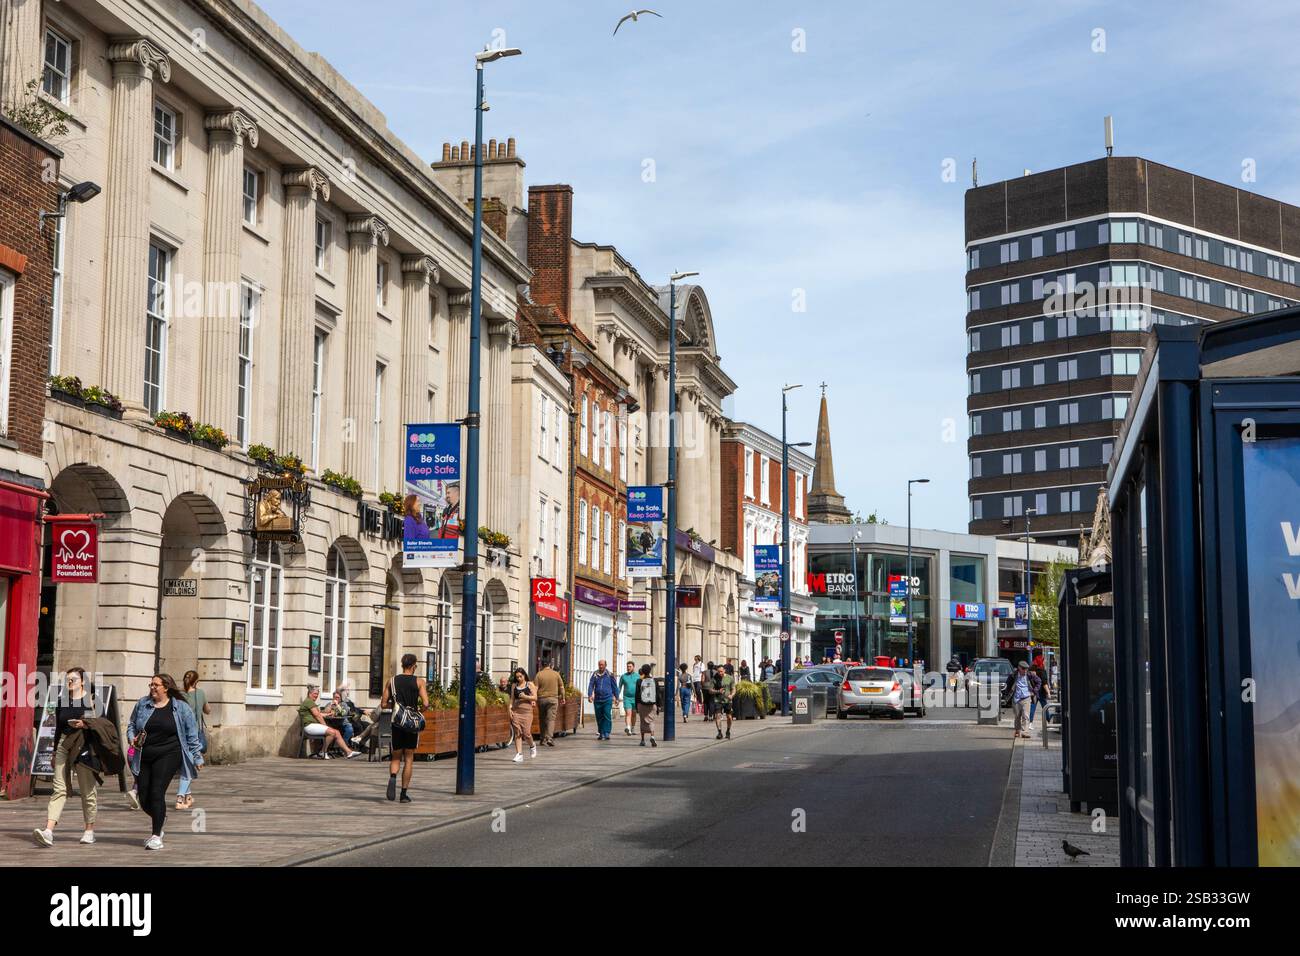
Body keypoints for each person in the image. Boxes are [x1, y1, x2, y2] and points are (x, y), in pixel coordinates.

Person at [127, 674, 204, 850]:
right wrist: (132, 738)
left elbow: (192, 735)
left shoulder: (181, 708)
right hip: (143, 755)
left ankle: (156, 836)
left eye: (156, 685)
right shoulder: (143, 704)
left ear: (166, 687)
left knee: (156, 792)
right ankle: (160, 817)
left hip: (169, 754)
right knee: (144, 798)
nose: (152, 687)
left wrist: (197, 756)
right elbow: (131, 725)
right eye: (151, 684)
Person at [33, 668, 100, 848]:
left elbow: (102, 725)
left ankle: (89, 830)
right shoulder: (62, 701)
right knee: (59, 788)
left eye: (73, 679)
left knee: (87, 791)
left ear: (83, 681)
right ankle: (48, 831)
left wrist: (85, 724)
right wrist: (54, 751)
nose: (70, 683)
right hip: (64, 743)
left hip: (84, 744)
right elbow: (57, 728)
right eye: (67, 680)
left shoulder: (92, 700)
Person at [381, 654, 429, 802]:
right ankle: (403, 794)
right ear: (414, 665)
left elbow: (383, 704)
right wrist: (418, 711)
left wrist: (395, 706)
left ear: (402, 665)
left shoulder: (392, 681)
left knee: (396, 756)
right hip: (410, 723)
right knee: (408, 757)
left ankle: (393, 777)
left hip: (397, 722)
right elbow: (426, 703)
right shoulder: (419, 682)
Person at [176, 670, 210, 810]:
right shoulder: (200, 693)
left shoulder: (178, 695)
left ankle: (188, 797)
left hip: (178, 734)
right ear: (196, 681)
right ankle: (179, 798)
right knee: (189, 766)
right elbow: (207, 710)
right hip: (193, 734)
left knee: (186, 764)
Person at [298, 685, 361, 759]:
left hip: (314, 725)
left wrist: (328, 714)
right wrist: (325, 725)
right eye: (315, 694)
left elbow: (319, 714)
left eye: (317, 694)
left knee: (336, 732)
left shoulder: (310, 702)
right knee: (332, 732)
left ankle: (348, 752)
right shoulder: (309, 702)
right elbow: (318, 715)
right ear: (310, 693)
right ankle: (323, 751)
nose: (316, 696)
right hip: (310, 726)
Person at [1005, 661, 1042, 739]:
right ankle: (1018, 731)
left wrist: (1034, 691)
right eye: (1023, 669)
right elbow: (1008, 684)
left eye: (1026, 669)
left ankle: (1025, 732)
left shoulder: (1029, 675)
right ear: (1019, 668)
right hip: (1016, 699)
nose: (1025, 671)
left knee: (1026, 715)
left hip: (1026, 698)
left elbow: (1039, 681)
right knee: (1017, 716)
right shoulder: (1013, 675)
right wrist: (1008, 695)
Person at [508, 668, 538, 763]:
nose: (519, 678)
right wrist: (509, 708)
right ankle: (519, 754)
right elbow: (512, 699)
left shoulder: (530, 684)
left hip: (527, 712)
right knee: (518, 733)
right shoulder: (514, 685)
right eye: (517, 677)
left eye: (521, 676)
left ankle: (532, 746)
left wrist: (525, 697)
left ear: (524, 675)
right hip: (516, 711)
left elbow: (535, 697)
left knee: (527, 733)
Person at [534, 658, 565, 747]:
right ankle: (549, 738)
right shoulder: (556, 674)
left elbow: (535, 688)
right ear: (550, 665)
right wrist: (563, 697)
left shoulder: (538, 675)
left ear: (541, 665)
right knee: (551, 719)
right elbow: (561, 687)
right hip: (553, 699)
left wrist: (533, 699)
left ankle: (542, 739)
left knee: (542, 719)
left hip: (541, 699)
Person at [587, 660, 619, 740]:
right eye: (599, 665)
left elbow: (615, 687)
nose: (600, 666)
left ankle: (607, 733)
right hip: (597, 699)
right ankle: (601, 733)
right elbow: (591, 685)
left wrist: (617, 698)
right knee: (599, 717)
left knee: (607, 715)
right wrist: (590, 695)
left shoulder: (610, 675)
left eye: (602, 665)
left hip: (607, 699)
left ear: (605, 665)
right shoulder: (595, 674)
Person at [634, 664, 659, 747]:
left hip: (642, 703)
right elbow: (658, 694)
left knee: (642, 721)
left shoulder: (639, 681)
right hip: (652, 704)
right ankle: (652, 736)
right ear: (650, 671)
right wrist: (658, 705)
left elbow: (637, 694)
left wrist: (636, 705)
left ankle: (642, 740)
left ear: (642, 671)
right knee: (651, 721)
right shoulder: (654, 681)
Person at [711, 665, 735, 740]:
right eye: (718, 672)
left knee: (729, 717)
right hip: (718, 700)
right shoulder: (714, 678)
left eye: (721, 671)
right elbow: (710, 690)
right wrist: (718, 691)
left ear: (724, 671)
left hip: (728, 700)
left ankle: (728, 731)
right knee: (718, 716)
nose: (720, 673)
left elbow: (733, 688)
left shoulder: (730, 678)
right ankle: (719, 732)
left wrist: (732, 695)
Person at [618, 660, 640, 736]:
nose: (628, 668)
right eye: (627, 667)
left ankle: (633, 728)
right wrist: (616, 696)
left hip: (635, 698)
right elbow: (619, 687)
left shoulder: (638, 676)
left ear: (633, 667)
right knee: (628, 713)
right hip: (627, 698)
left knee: (634, 714)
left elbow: (641, 687)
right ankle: (628, 727)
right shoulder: (623, 676)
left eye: (630, 666)